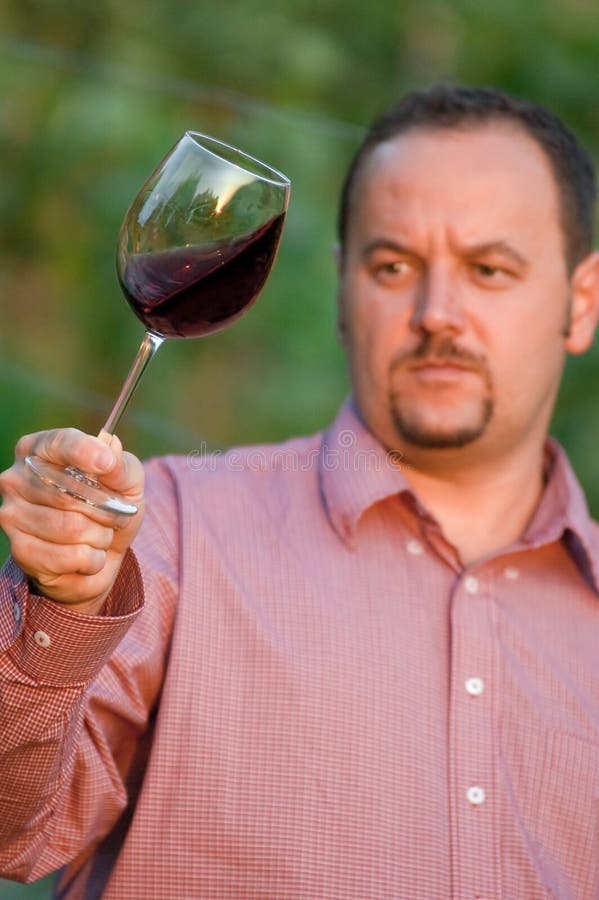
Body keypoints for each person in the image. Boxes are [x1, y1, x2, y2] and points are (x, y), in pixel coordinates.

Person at [1, 83, 599, 899]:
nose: (436, 313)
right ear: (344, 289)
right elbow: (14, 834)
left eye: (489, 269)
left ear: (580, 301)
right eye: (394, 265)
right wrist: (57, 607)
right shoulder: (163, 538)